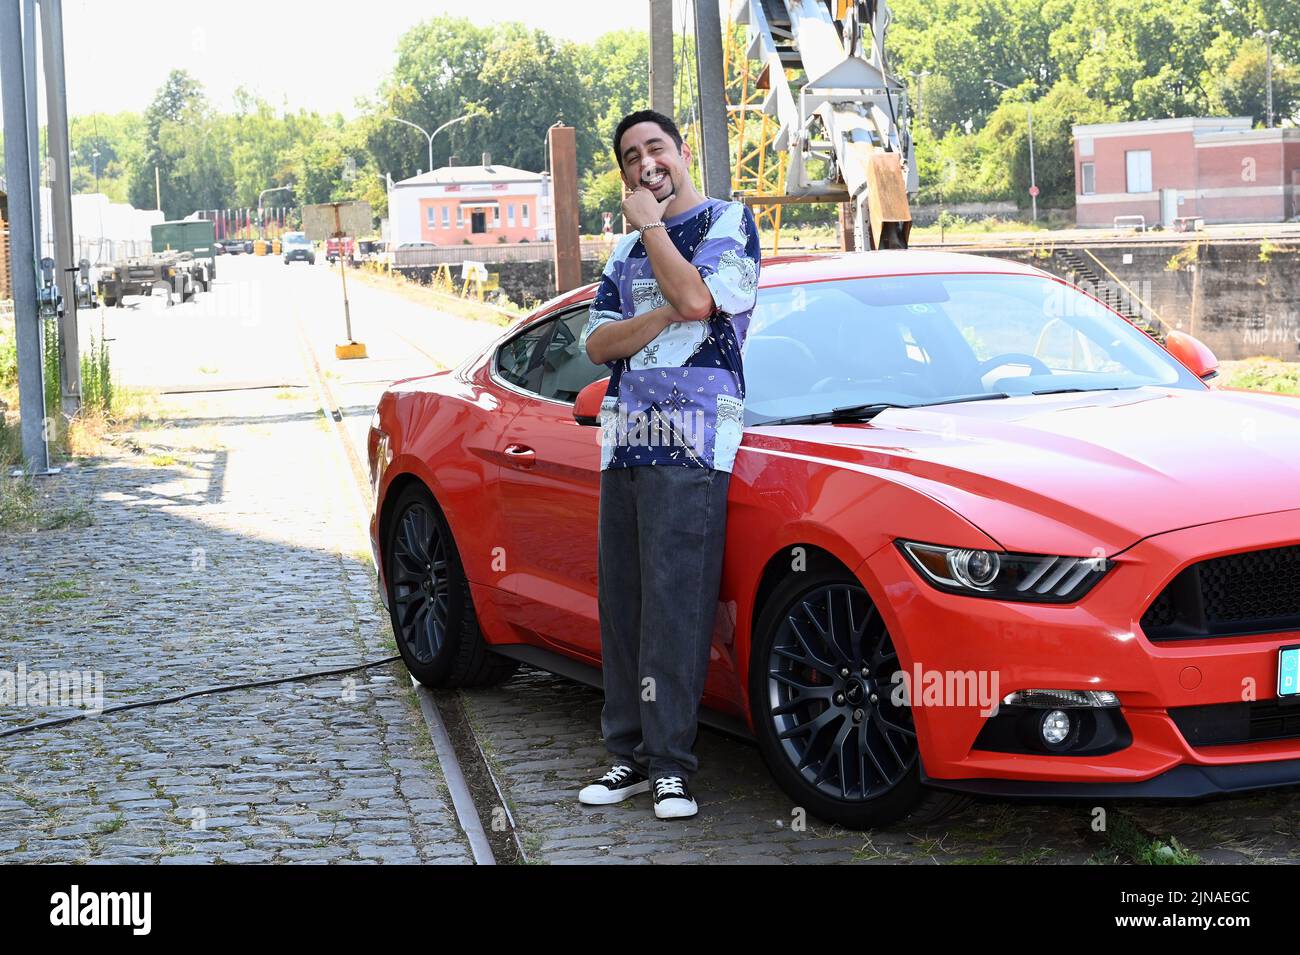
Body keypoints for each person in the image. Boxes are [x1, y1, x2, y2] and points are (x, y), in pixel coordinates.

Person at [577, 109, 761, 820]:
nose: (644, 162)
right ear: (623, 171)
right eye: (630, 156)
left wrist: (652, 230)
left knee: (677, 608)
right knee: (625, 606)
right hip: (624, 437)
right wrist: (656, 319)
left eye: (656, 148)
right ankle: (626, 755)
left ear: (682, 153)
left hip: (692, 439)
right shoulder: (621, 252)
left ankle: (672, 769)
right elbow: (597, 344)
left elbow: (696, 297)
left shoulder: (727, 223)